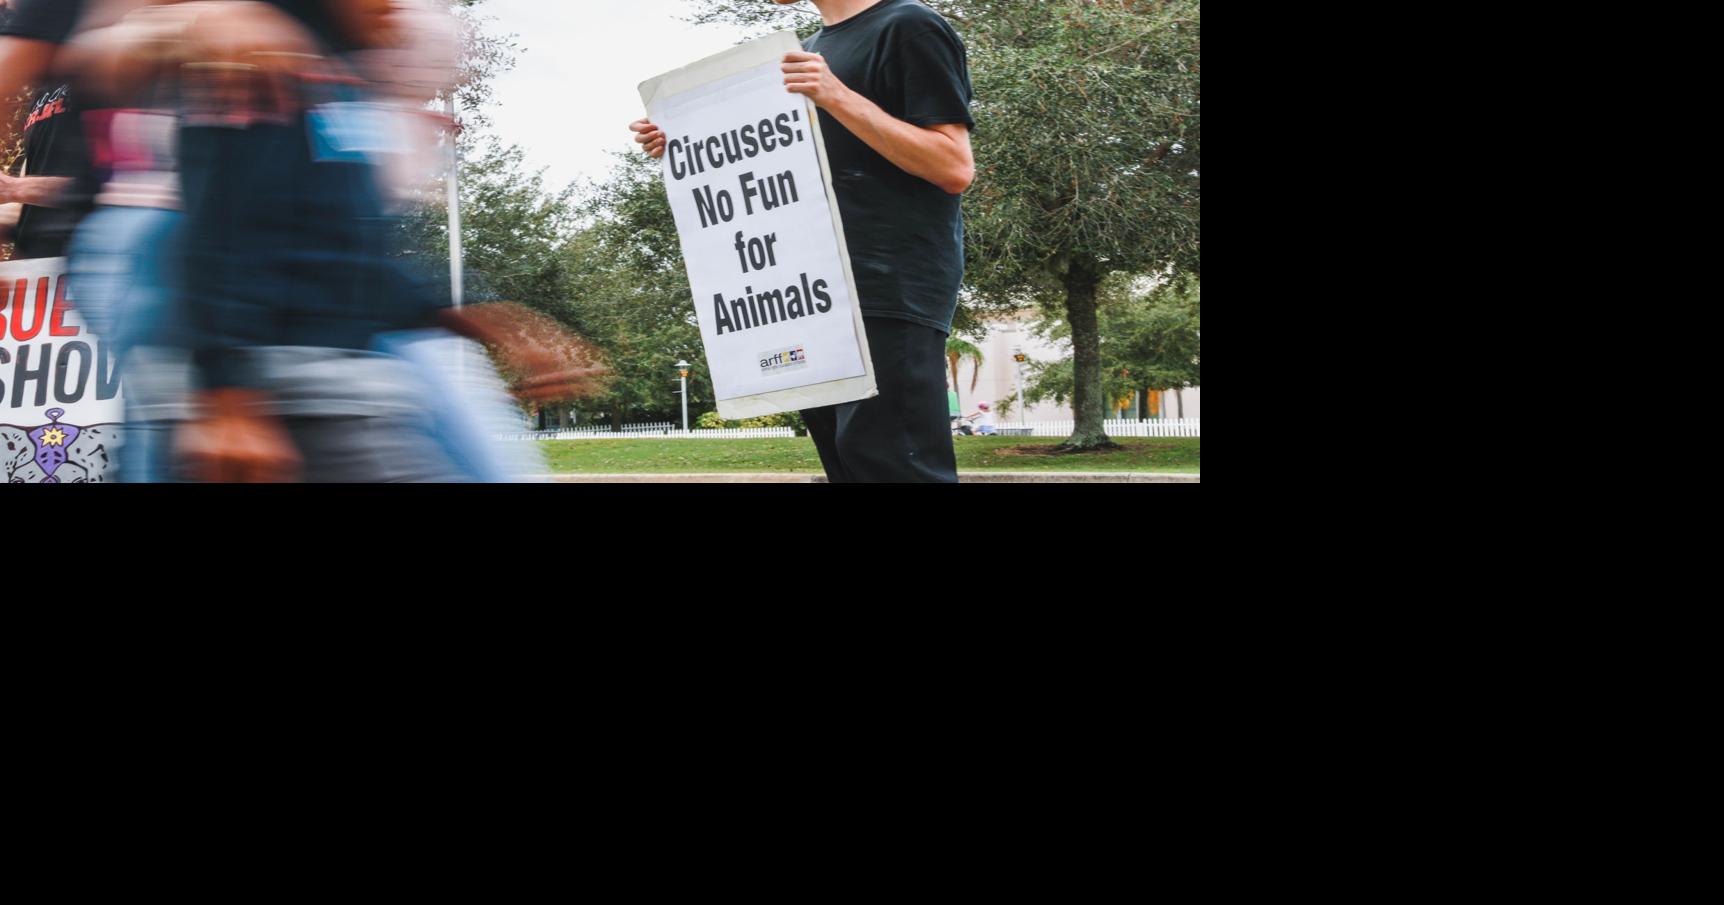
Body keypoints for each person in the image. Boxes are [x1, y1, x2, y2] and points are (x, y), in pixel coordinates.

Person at [630, 0, 975, 483]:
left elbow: (953, 165)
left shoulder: (909, 26)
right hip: (809, 298)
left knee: (895, 466)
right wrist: (685, 143)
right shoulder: (806, 51)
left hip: (885, 287)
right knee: (851, 465)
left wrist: (835, 94)